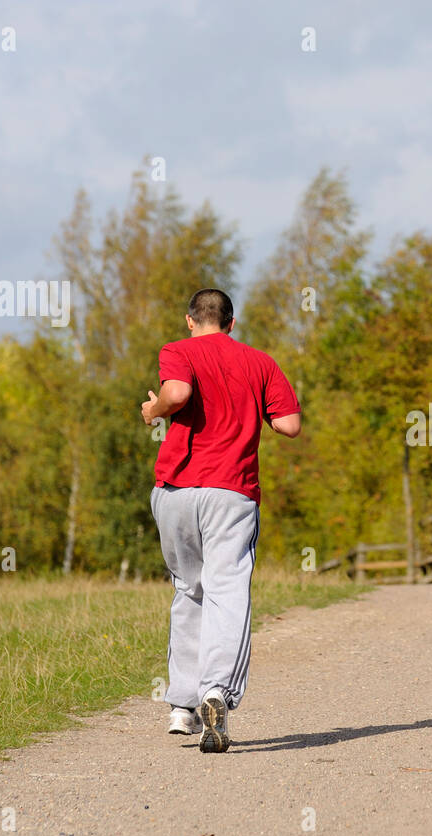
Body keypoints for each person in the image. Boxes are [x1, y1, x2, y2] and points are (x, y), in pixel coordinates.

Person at [141, 289, 301, 753]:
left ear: (191, 320)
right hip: (231, 491)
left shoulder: (178, 350)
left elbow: (178, 392)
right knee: (226, 591)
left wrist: (153, 410)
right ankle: (215, 692)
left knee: (189, 590)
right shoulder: (260, 362)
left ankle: (181, 706)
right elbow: (289, 424)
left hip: (176, 490)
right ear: (232, 323)